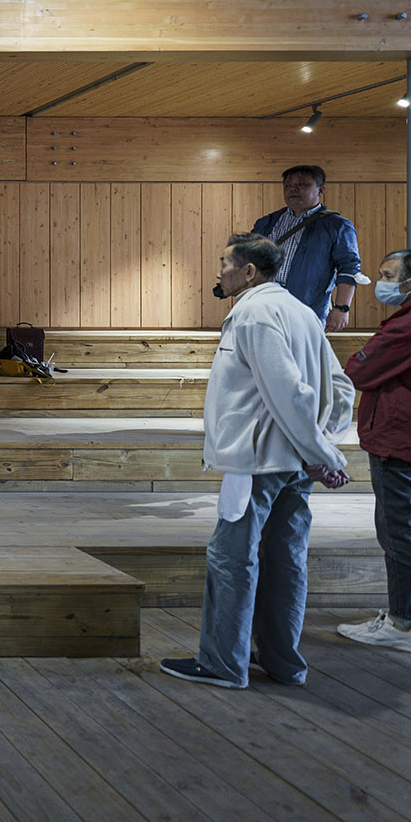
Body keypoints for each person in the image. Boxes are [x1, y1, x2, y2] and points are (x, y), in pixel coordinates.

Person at [160, 233, 354, 689]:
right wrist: (323, 447)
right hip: (296, 464)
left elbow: (287, 392)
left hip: (256, 461)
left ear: (249, 271)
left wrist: (322, 453)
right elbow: (340, 388)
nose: (218, 272)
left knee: (232, 559)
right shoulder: (302, 312)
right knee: (286, 559)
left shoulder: (252, 314)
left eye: (224, 263)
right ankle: (284, 663)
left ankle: (223, 663)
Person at [338, 248, 411, 652]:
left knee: (397, 534)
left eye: (387, 275)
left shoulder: (404, 326)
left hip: (398, 441)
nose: (380, 283)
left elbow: (360, 370)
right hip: (401, 439)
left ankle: (401, 625)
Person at [250, 164, 365, 332]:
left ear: (321, 190)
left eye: (302, 184)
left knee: (302, 357)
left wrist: (342, 308)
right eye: (288, 185)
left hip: (308, 311)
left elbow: (349, 269)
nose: (293, 189)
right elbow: (247, 259)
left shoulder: (338, 226)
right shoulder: (266, 223)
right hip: (263, 309)